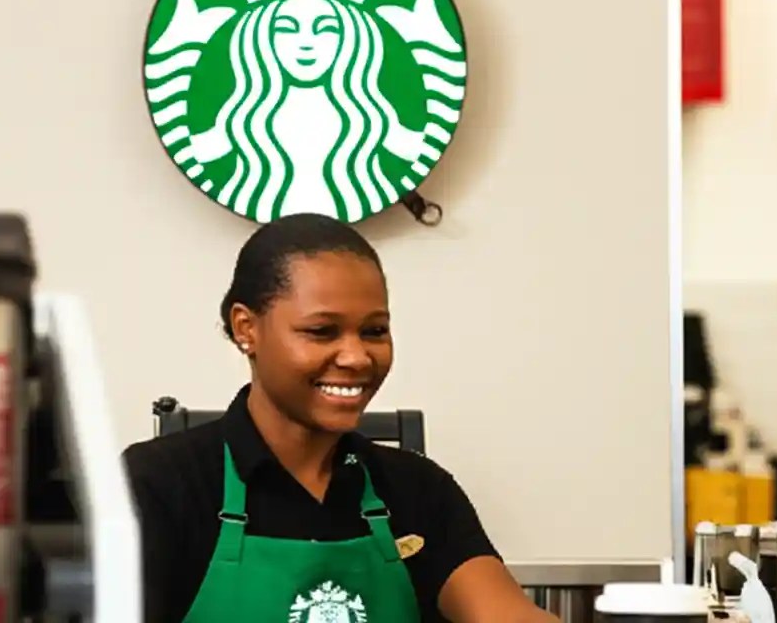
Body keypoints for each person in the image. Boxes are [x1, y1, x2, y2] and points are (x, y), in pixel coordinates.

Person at [122, 214, 558, 623]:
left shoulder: (419, 491)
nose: (356, 357)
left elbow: (504, 613)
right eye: (321, 331)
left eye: (374, 331)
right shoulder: (157, 485)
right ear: (246, 328)